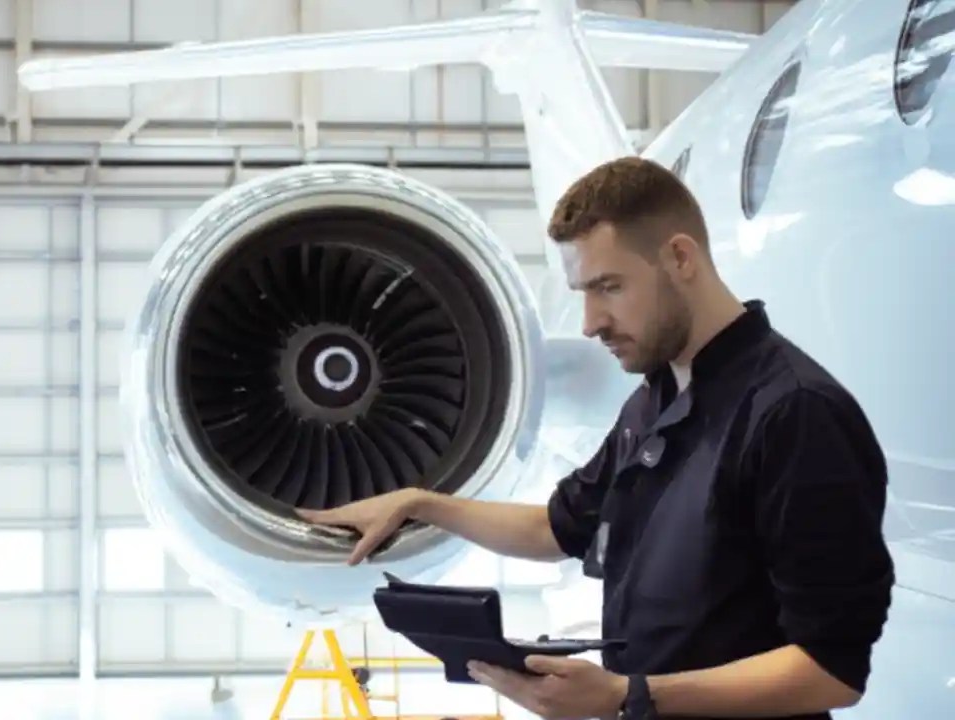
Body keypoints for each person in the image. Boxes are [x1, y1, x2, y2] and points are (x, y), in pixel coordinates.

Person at [297, 156, 894, 720]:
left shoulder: (795, 414)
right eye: (583, 292)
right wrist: (421, 504)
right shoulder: (654, 401)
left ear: (680, 258)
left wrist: (628, 695)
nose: (590, 323)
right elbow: (557, 528)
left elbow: (830, 670)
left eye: (608, 287)